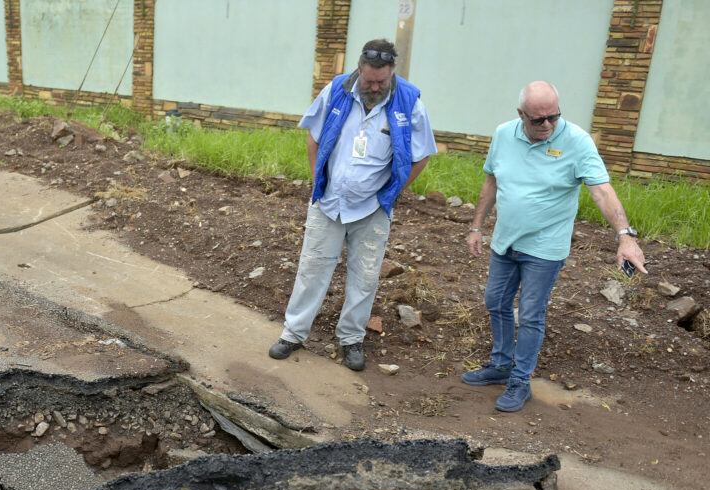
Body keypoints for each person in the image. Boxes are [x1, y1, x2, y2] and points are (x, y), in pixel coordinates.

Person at [463, 81, 647, 411]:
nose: (548, 125)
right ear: (521, 114)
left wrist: (625, 235)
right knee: (496, 301)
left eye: (554, 116)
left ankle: (520, 381)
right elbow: (492, 180)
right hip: (506, 241)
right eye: (538, 119)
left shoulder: (577, 141)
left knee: (530, 314)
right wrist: (477, 227)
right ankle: (501, 366)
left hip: (544, 249)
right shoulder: (503, 134)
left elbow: (602, 191)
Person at [268, 38, 437, 371]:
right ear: (359, 70)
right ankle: (293, 333)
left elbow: (422, 156)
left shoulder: (409, 102)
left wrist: (392, 192)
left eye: (381, 81)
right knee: (312, 270)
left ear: (392, 73)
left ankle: (351, 338)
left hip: (372, 209)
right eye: (369, 80)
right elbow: (314, 136)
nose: (374, 87)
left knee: (365, 277)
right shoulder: (337, 90)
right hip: (329, 203)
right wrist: (318, 180)